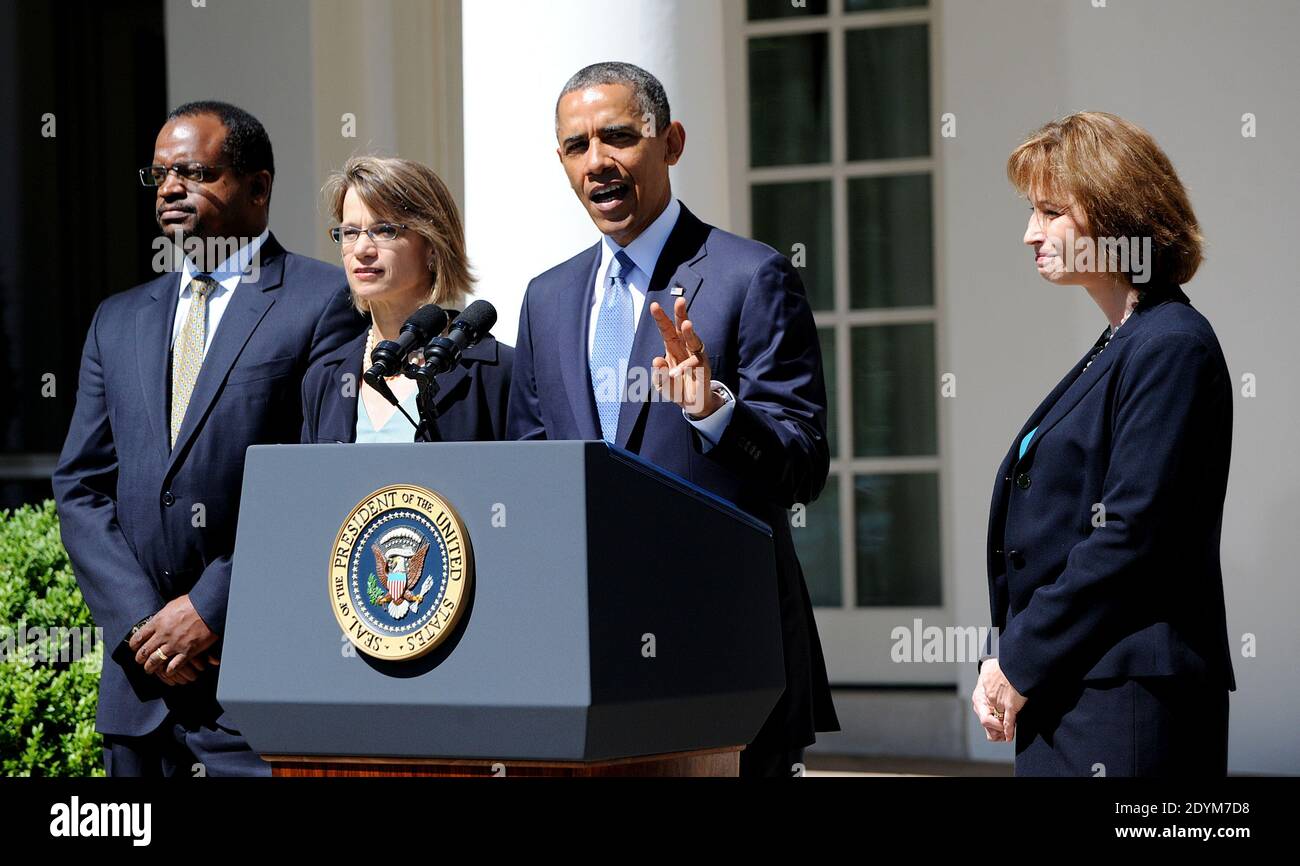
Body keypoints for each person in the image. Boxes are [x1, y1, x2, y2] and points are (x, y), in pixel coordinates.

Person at [507, 62, 839, 777]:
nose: (598, 163)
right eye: (577, 146)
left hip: (724, 664)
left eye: (619, 137)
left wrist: (716, 409)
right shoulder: (547, 297)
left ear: (672, 143)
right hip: (588, 667)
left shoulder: (751, 277)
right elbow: (532, 472)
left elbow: (804, 464)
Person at [52, 101, 364, 776]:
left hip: (254, 689)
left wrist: (210, 606)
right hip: (140, 695)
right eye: (159, 174)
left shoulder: (324, 301)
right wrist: (143, 624)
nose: (168, 189)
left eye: (193, 172)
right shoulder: (117, 319)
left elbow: (325, 481)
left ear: (258, 187)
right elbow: (80, 487)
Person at [973, 111, 1236, 776]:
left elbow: (1132, 536)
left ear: (1118, 212)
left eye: (1052, 211)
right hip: (1081, 690)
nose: (1031, 233)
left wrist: (1019, 658)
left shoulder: (1170, 345)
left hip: (1127, 704)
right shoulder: (1125, 342)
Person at [301, 156, 511, 444]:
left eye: (385, 230)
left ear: (432, 247)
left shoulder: (495, 372)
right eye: (350, 232)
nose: (361, 248)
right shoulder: (324, 379)